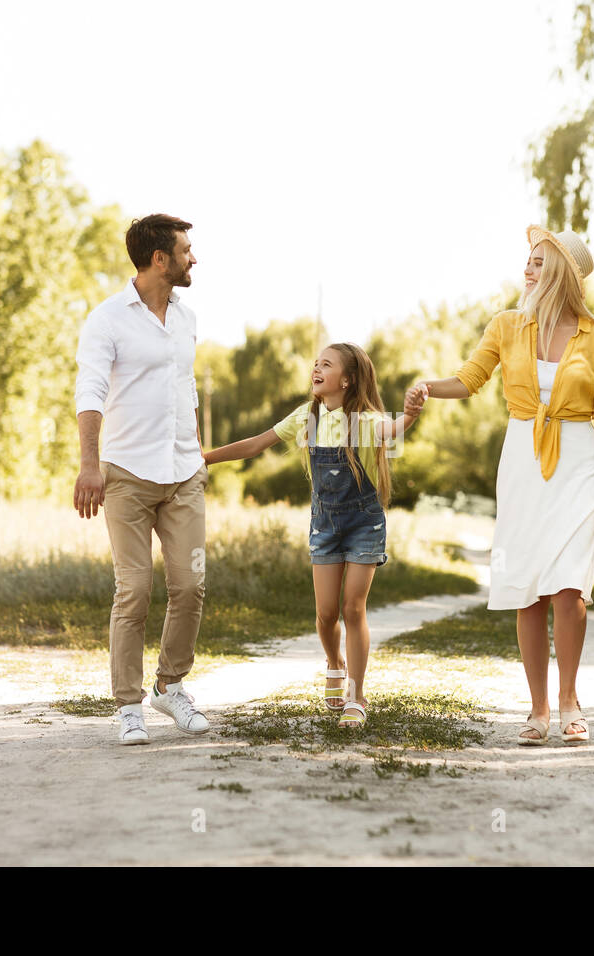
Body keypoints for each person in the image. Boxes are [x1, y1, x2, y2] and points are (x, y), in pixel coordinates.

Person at [411, 226, 594, 745]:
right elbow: (469, 379)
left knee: (568, 586)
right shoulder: (507, 325)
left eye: (539, 262)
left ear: (560, 271)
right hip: (522, 459)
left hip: (579, 464)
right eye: (528, 261)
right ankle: (537, 709)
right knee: (528, 591)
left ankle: (569, 701)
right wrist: (427, 387)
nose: (528, 269)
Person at [204, 343, 423, 729]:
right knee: (325, 615)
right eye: (315, 363)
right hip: (324, 526)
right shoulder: (307, 417)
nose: (316, 369)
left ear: (347, 379)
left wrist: (409, 415)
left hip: (364, 524)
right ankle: (334, 662)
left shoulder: (365, 421)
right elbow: (256, 444)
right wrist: (204, 457)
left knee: (353, 608)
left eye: (327, 364)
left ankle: (357, 695)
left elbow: (394, 428)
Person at [73, 214, 211, 745]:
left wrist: (196, 448)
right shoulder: (107, 319)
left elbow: (187, 386)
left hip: (182, 474)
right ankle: (129, 705)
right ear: (160, 258)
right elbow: (89, 391)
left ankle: (170, 687)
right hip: (127, 473)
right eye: (186, 249)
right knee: (133, 590)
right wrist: (90, 464)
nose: (193, 258)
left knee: (191, 585)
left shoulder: (187, 317)